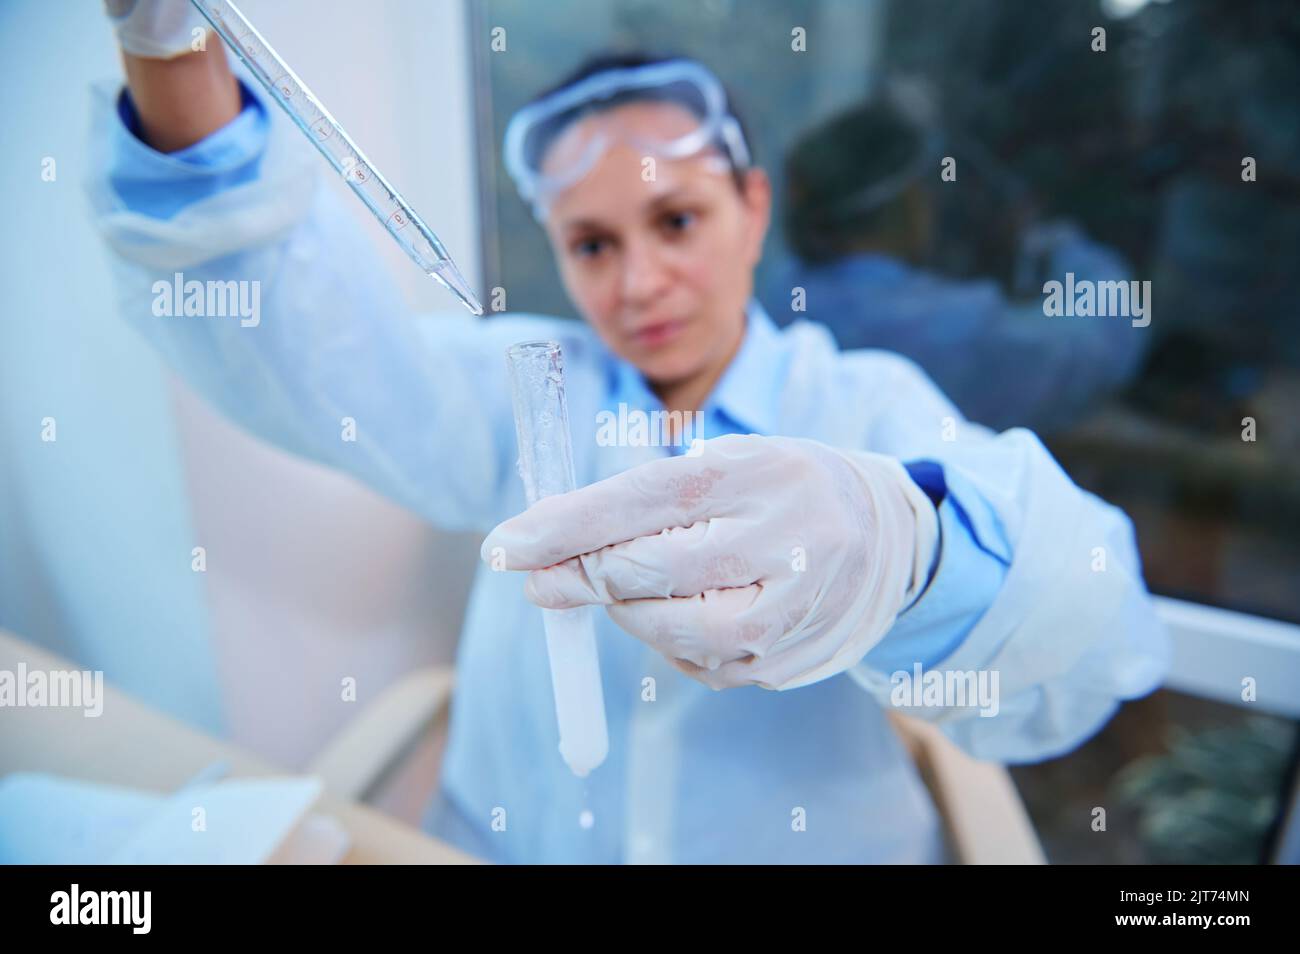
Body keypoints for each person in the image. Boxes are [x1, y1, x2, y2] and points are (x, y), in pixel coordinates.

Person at [91, 2, 1169, 863]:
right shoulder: (522, 392)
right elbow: (297, 338)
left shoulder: (858, 409)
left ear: (753, 207)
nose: (639, 282)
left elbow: (1091, 613)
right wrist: (172, 44)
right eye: (592, 244)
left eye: (677, 221)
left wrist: (910, 550)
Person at [768, 94, 1150, 434]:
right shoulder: (954, 331)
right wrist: (1058, 248)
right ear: (910, 201)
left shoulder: (778, 299)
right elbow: (1095, 345)